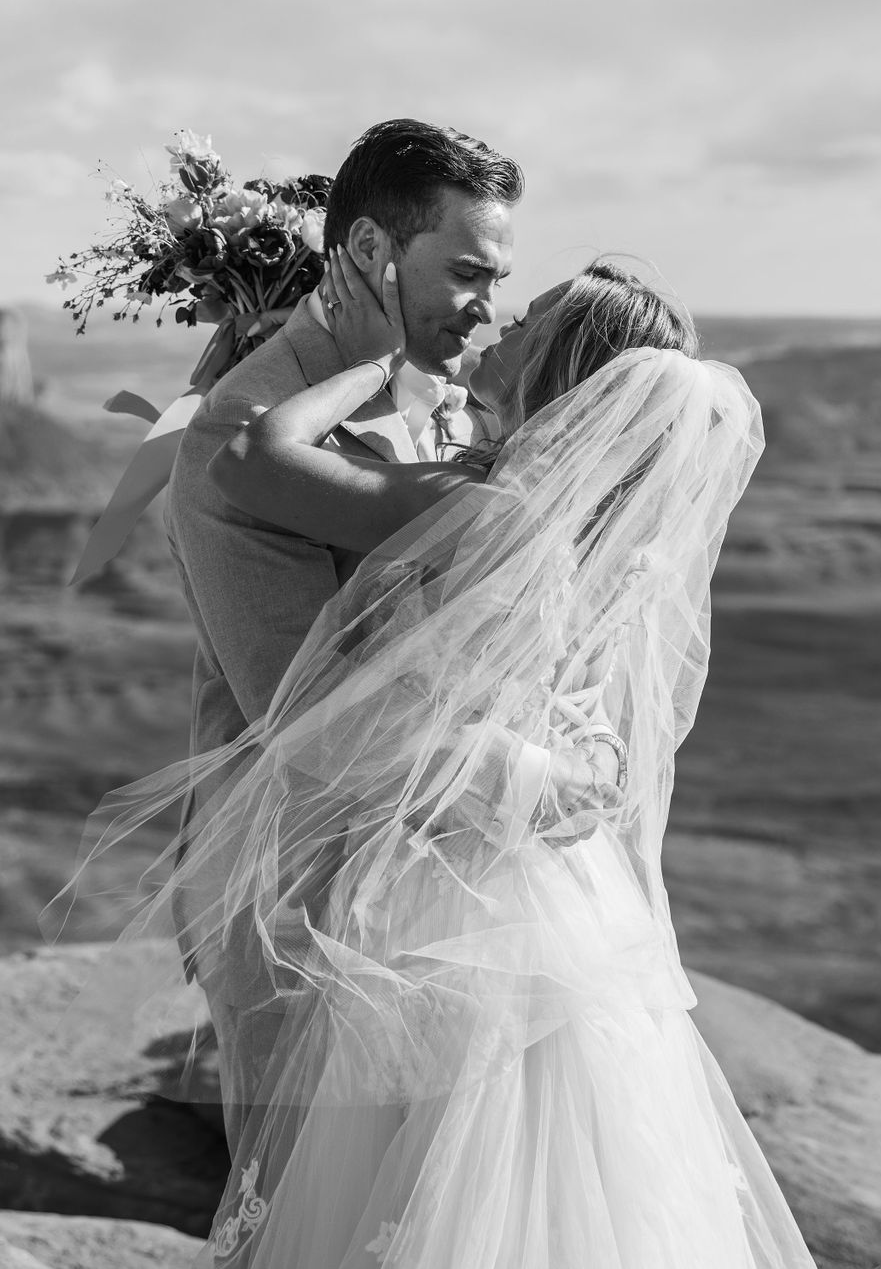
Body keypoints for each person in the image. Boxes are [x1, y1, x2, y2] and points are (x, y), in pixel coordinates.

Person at [69, 255, 816, 1266]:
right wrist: (548, 773)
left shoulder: (485, 508)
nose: (501, 324)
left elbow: (253, 457)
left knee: (437, 1168)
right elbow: (596, 732)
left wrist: (359, 360)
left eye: (531, 319)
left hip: (457, 895)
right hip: (561, 891)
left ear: (560, 366)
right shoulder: (600, 530)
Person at [163, 118, 605, 1155]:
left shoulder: (446, 396)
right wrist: (533, 781)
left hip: (459, 913)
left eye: (498, 278)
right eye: (464, 272)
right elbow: (312, 722)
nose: (487, 308)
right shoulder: (239, 433)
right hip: (300, 919)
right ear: (370, 251)